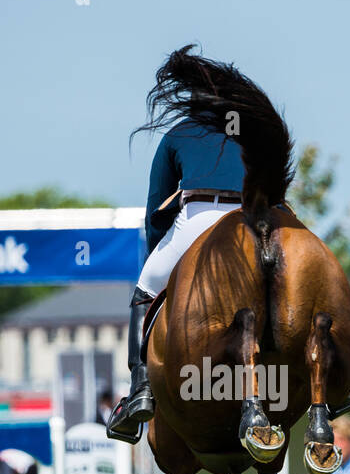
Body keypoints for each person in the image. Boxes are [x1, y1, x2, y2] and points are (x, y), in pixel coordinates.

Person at [106, 54, 249, 444]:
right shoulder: (249, 130)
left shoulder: (179, 133)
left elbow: (156, 207)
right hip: (252, 219)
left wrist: (162, 256)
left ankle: (140, 389)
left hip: (201, 215)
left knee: (143, 291)